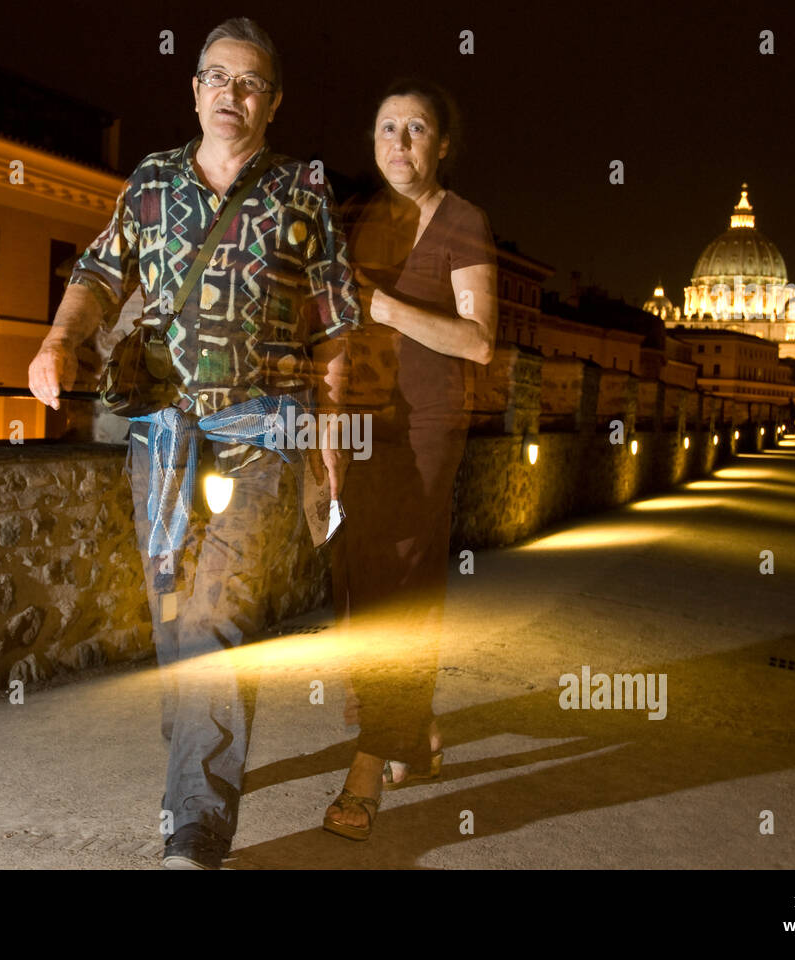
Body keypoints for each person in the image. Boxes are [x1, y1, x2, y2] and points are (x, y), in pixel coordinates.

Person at [28, 17, 360, 869]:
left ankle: (197, 828)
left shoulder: (303, 191)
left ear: (274, 101)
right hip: (163, 436)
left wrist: (330, 441)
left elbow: (335, 327)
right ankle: (191, 784)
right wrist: (58, 341)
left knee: (219, 612)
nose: (230, 94)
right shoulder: (150, 183)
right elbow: (101, 273)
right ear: (195, 89)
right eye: (217, 77)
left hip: (262, 433)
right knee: (175, 616)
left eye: (249, 83)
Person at [323, 79, 497, 841]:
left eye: (416, 129)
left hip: (427, 424)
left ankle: (367, 769)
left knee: (403, 578)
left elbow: (480, 339)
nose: (400, 143)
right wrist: (324, 429)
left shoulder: (464, 222)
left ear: (442, 144)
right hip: (357, 421)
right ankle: (414, 731)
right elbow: (329, 329)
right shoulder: (354, 221)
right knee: (355, 577)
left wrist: (389, 309)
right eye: (386, 128)